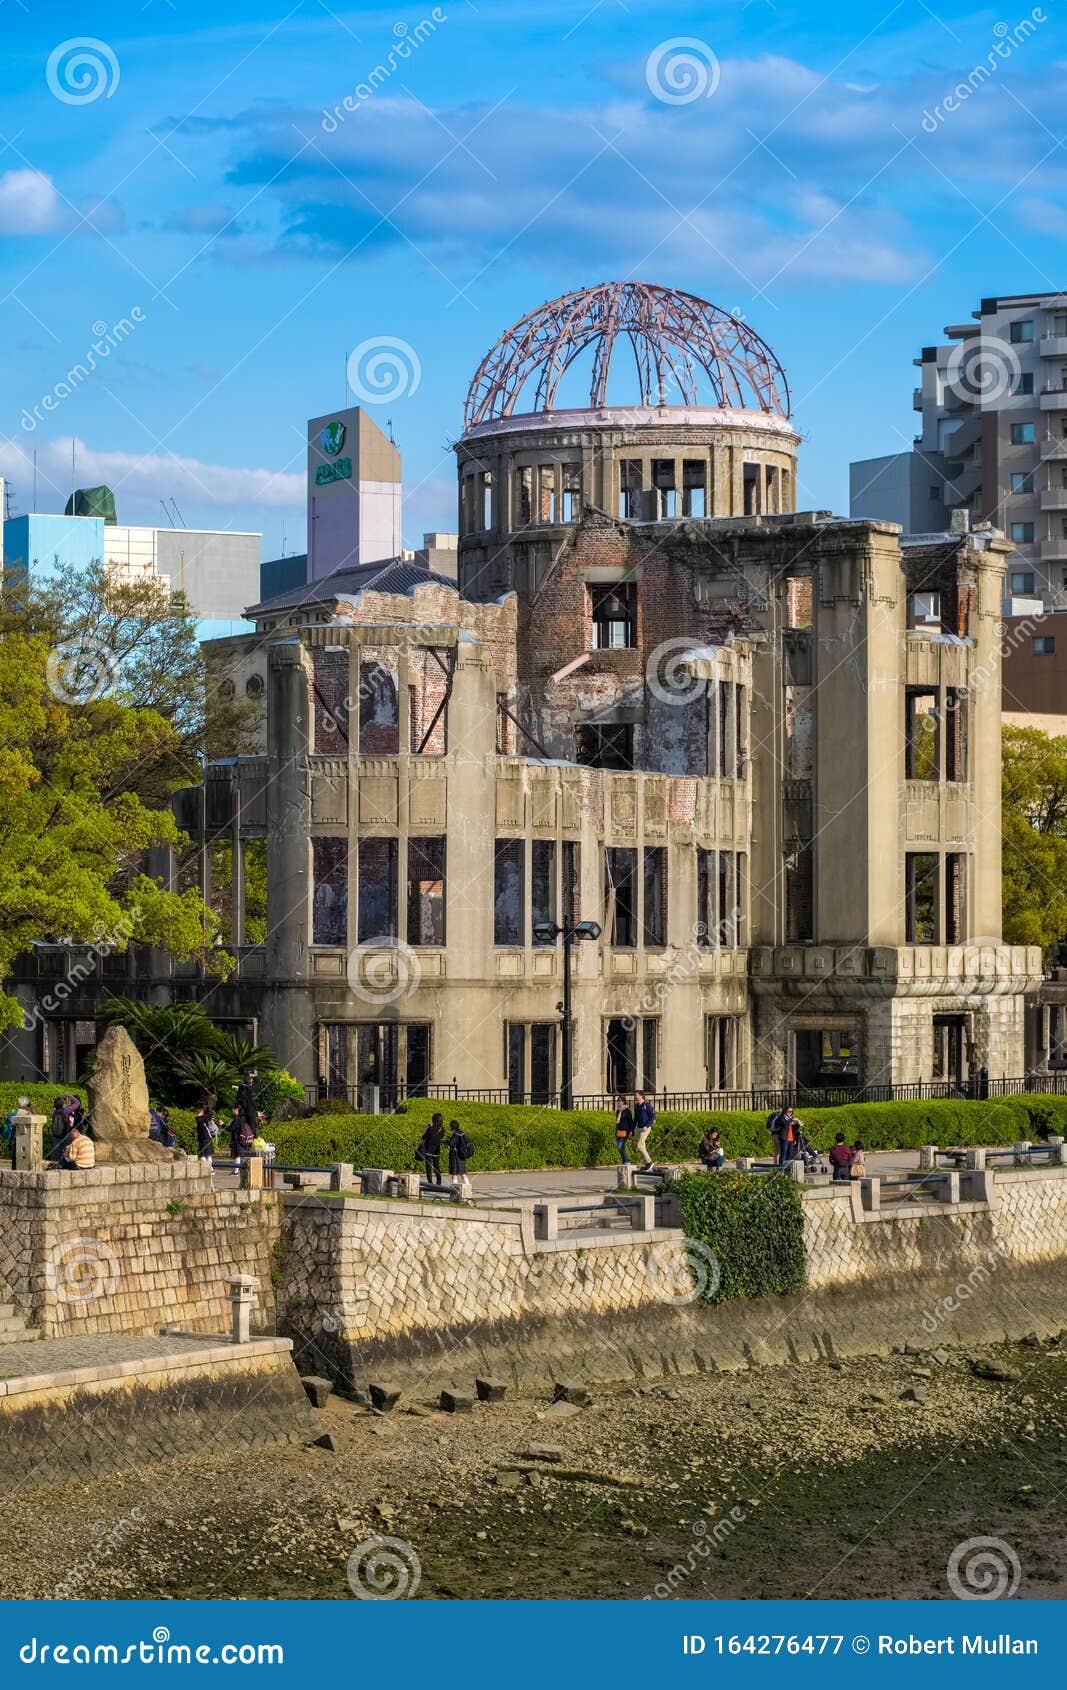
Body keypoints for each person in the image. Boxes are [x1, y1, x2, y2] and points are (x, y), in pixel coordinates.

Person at [447, 1119, 474, 1199]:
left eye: (450, 1126)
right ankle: (468, 1188)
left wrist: (448, 1141)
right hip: (462, 1155)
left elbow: (452, 1144)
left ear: (452, 1126)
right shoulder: (462, 1132)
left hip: (456, 1155)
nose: (449, 1127)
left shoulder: (455, 1134)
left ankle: (455, 1192)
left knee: (454, 1174)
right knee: (463, 1173)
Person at [417, 1113, 446, 1186]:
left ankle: (430, 1182)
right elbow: (440, 1138)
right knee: (437, 1167)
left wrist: (426, 1128)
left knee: (428, 1167)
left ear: (433, 1120)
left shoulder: (430, 1129)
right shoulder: (442, 1130)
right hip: (437, 1150)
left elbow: (424, 1137)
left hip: (429, 1150)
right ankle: (439, 1182)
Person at [633, 1090, 656, 1172]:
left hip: (645, 1128)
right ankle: (646, 1164)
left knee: (640, 1145)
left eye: (636, 1095)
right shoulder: (636, 1106)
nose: (635, 1097)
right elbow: (635, 1119)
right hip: (639, 1128)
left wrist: (647, 1125)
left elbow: (653, 1117)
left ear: (641, 1096)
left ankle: (649, 1162)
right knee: (642, 1146)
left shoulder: (647, 1105)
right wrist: (631, 1130)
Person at [614, 1096, 634, 1165]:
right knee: (619, 1147)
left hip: (625, 1131)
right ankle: (624, 1161)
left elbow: (631, 1122)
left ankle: (626, 1161)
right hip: (618, 1131)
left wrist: (631, 1132)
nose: (618, 1102)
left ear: (623, 1102)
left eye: (620, 1101)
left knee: (620, 1146)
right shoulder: (618, 1111)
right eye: (618, 1101)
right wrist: (615, 1133)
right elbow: (617, 1122)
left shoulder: (627, 1111)